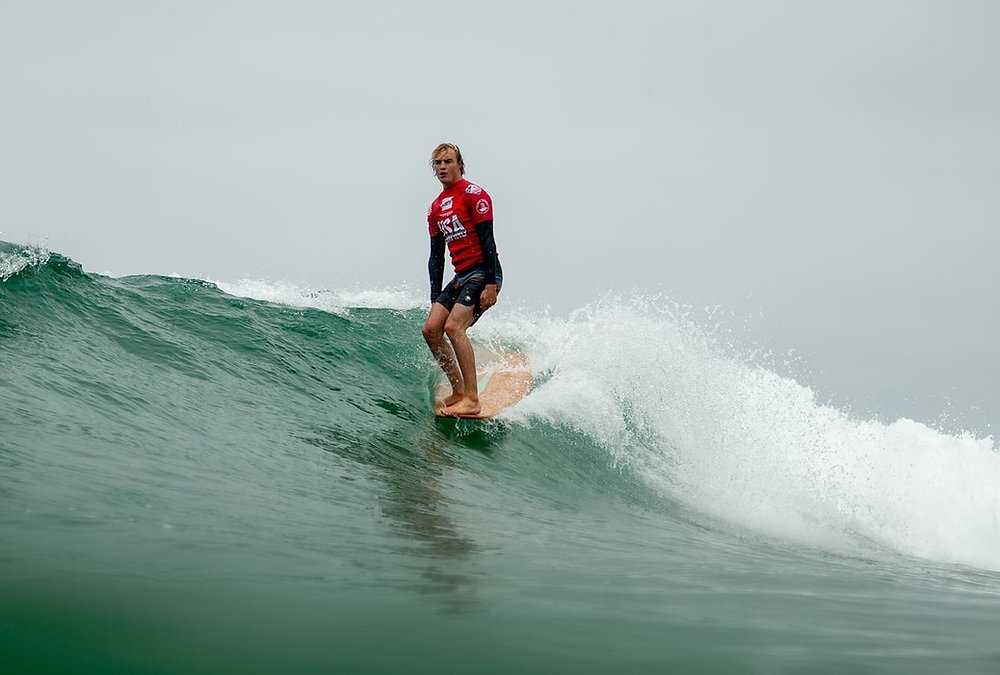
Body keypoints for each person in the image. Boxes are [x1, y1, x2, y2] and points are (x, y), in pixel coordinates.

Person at [422, 143, 502, 417]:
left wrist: (491, 284)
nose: (442, 167)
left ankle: (472, 398)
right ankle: (457, 390)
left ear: (459, 164)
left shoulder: (474, 195)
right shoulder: (435, 209)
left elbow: (488, 241)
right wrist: (436, 299)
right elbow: (436, 257)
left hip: (483, 271)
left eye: (447, 161)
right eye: (437, 163)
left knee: (454, 327)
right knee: (431, 329)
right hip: (461, 275)